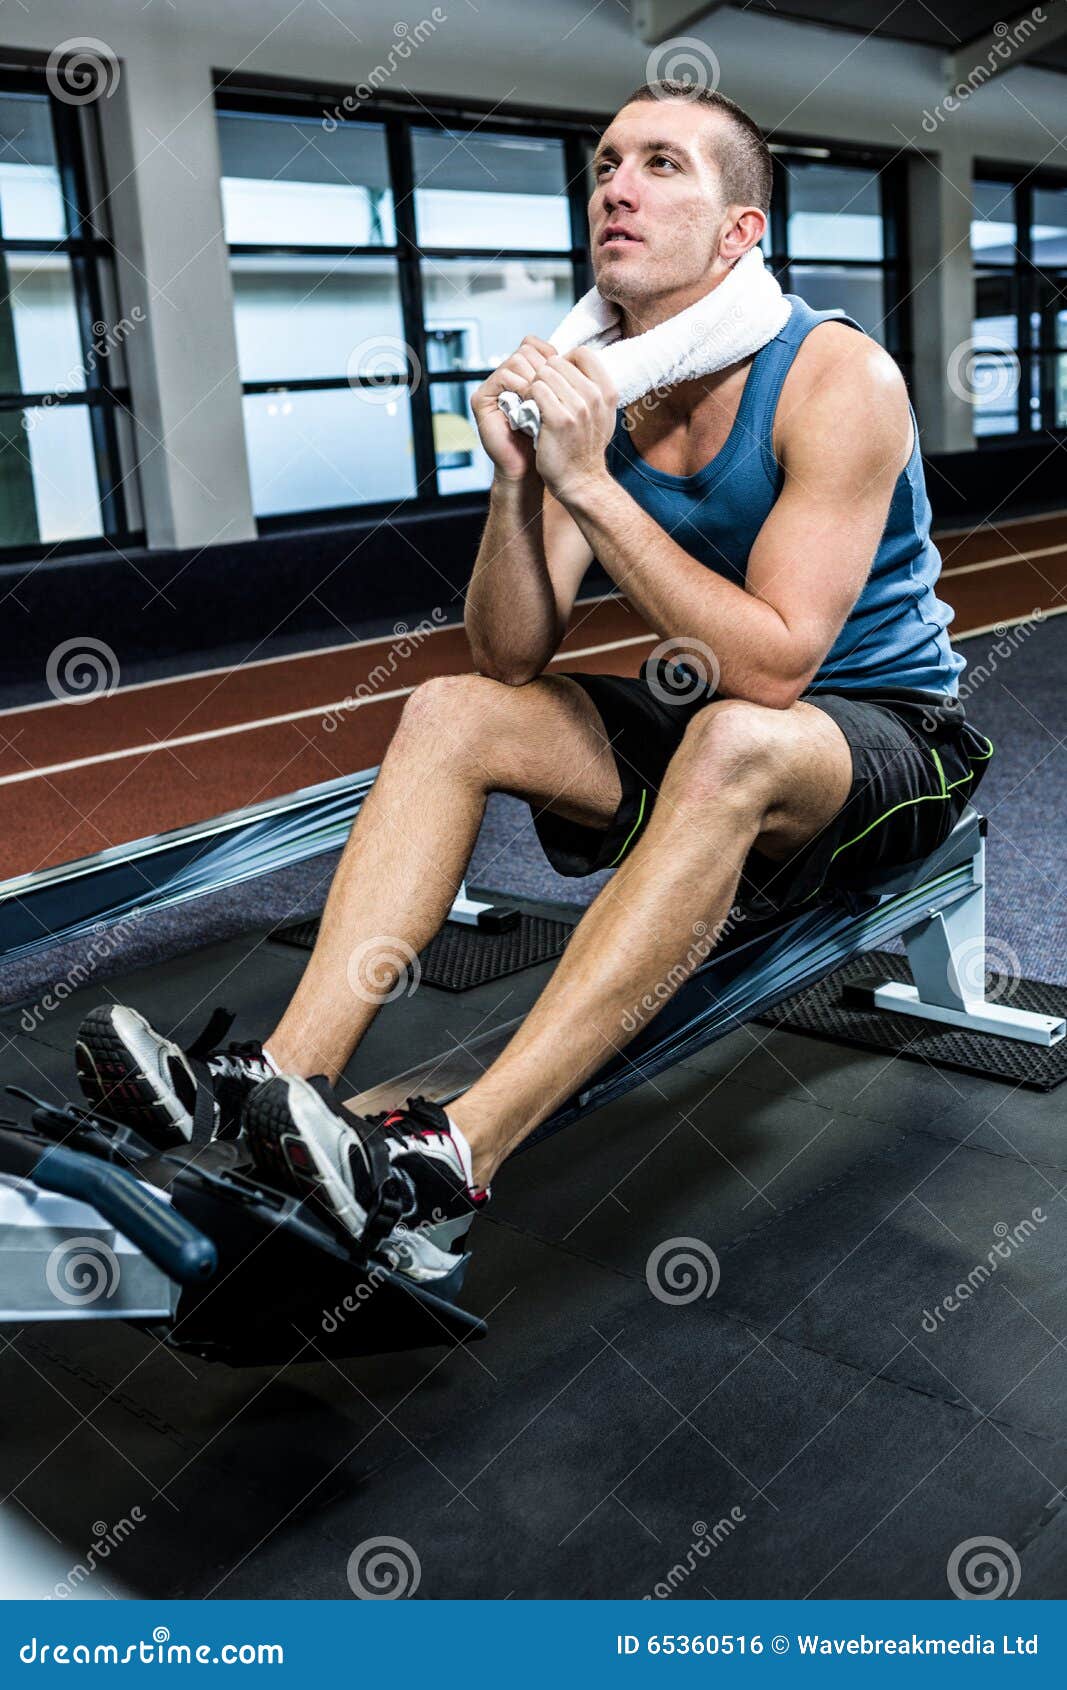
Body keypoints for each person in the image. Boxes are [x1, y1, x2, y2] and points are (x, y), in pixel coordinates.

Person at [75, 81, 991, 1282]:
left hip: (882, 736)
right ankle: (278, 1078)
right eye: (607, 161)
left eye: (662, 164)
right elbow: (507, 656)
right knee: (451, 708)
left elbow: (774, 666)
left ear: (737, 231)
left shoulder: (834, 376)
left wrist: (593, 484)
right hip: (725, 715)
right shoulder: (592, 387)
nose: (615, 185)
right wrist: (516, 478)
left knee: (728, 738)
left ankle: (459, 1145)